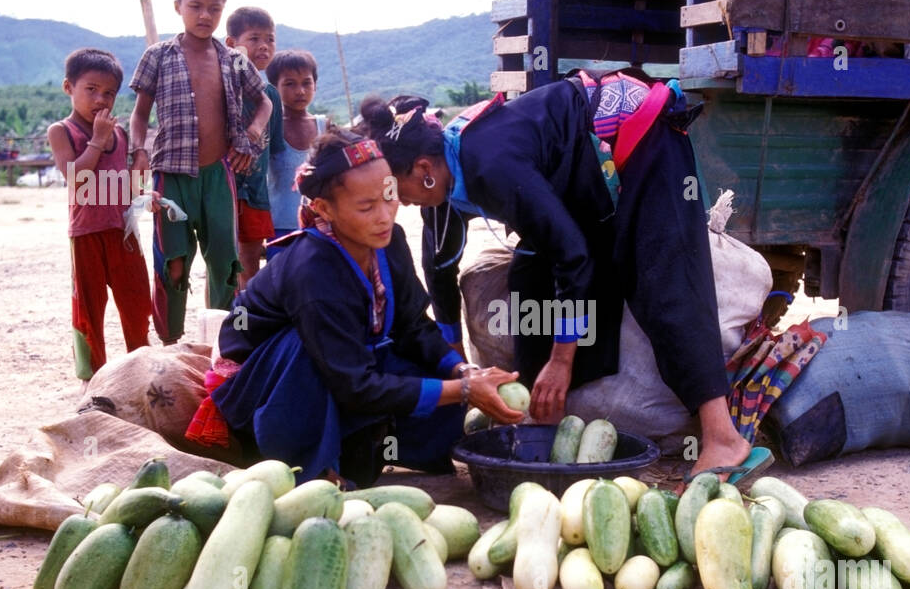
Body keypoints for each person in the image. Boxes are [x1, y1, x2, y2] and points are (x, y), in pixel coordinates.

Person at [360, 72, 769, 484]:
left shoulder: (488, 164)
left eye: (396, 189)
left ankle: (721, 436)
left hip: (639, 137)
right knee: (527, 278)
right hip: (580, 180)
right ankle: (540, 421)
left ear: (423, 169)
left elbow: (572, 256)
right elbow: (439, 267)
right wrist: (459, 366)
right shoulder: (442, 183)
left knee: (661, 279)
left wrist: (562, 359)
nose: (400, 203)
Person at [187, 127, 522, 486]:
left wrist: (463, 371)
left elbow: (413, 326)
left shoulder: (387, 242)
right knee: (306, 351)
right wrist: (465, 392)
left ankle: (367, 443)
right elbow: (354, 383)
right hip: (269, 381)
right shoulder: (311, 269)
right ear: (323, 209)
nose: (384, 216)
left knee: (430, 371)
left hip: (345, 359)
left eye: (389, 196)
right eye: (367, 206)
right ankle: (302, 466)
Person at [129, 0, 272, 343]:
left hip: (218, 174)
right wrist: (138, 150)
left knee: (225, 265)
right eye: (195, 6)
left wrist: (252, 135)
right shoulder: (157, 55)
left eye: (214, 8)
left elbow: (264, 104)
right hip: (171, 176)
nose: (205, 15)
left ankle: (221, 344)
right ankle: (170, 341)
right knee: (173, 265)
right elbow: (140, 113)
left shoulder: (233, 59)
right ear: (178, 7)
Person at [47, 48, 151, 381]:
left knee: (136, 301)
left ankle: (140, 366)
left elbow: (129, 189)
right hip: (86, 233)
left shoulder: (120, 135)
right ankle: (93, 377)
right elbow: (76, 179)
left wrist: (142, 178)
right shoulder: (62, 131)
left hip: (123, 232)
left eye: (108, 93)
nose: (100, 99)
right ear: (69, 88)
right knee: (89, 308)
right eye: (90, 89)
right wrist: (96, 140)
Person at [224, 6, 282, 287]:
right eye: (254, 38)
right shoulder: (219, 87)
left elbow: (277, 150)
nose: (263, 46)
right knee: (223, 264)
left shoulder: (272, 94)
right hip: (222, 191)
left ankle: (248, 326)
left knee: (250, 263)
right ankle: (225, 324)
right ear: (231, 45)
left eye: (270, 39)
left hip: (257, 194)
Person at [264, 49, 325, 260]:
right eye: (290, 84)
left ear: (315, 85)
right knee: (283, 286)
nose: (300, 91)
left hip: (321, 225)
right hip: (280, 227)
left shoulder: (324, 127)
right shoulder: (269, 127)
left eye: (306, 83)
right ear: (274, 88)